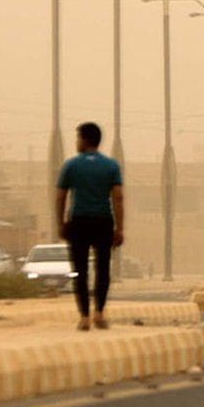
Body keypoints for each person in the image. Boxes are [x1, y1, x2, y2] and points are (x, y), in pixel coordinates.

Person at [55, 122, 125, 331]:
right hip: (103, 221)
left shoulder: (71, 166)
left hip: (79, 222)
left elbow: (60, 197)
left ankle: (84, 317)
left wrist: (61, 223)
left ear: (85, 140)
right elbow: (118, 197)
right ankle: (99, 313)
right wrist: (119, 228)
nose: (76, 142)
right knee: (103, 269)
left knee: (80, 270)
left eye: (78, 138)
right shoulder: (111, 166)